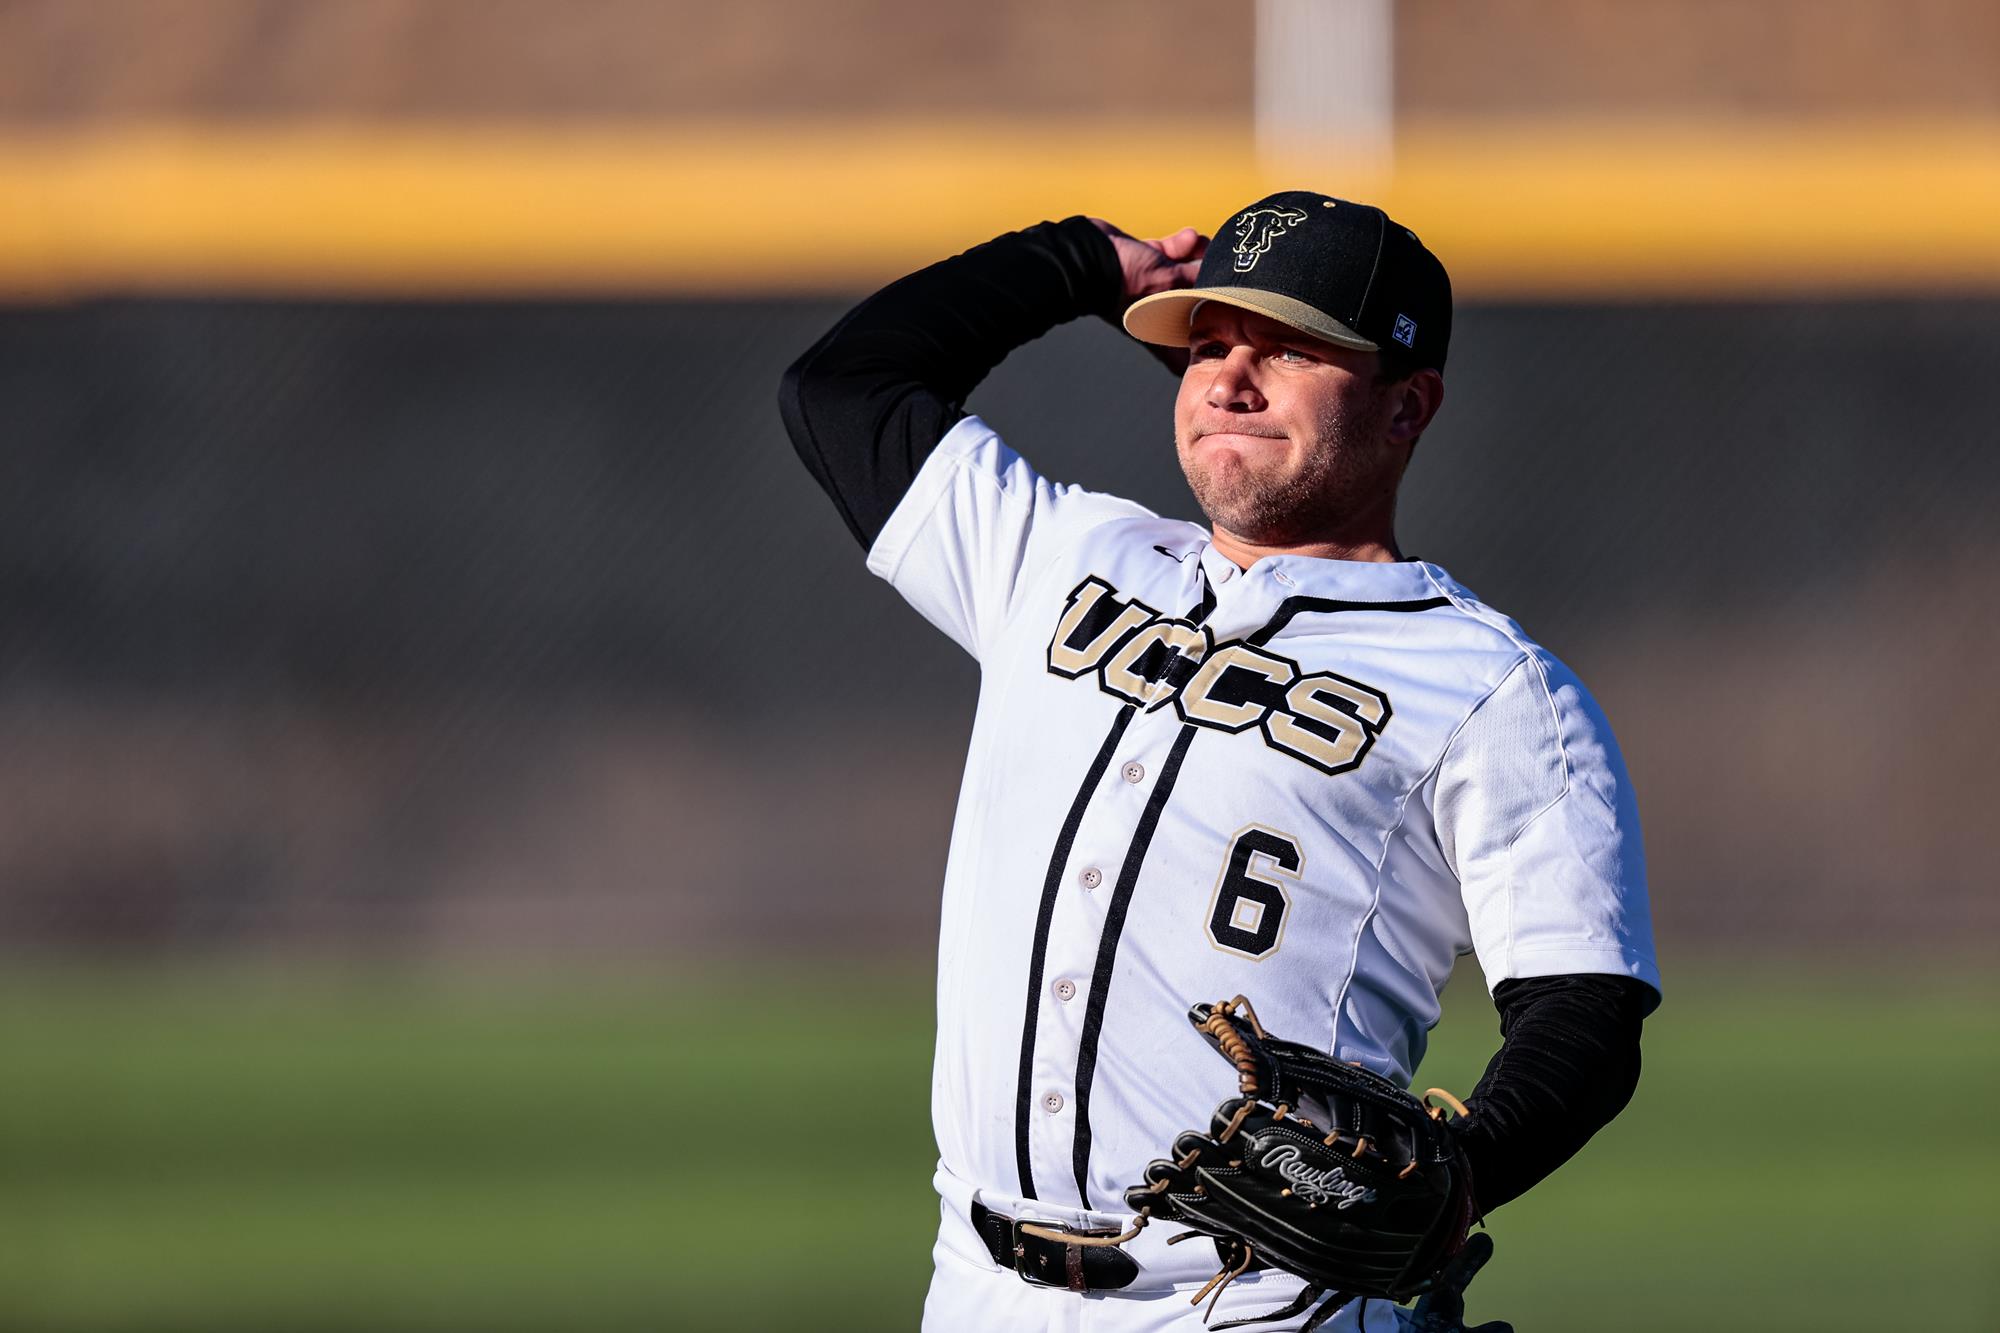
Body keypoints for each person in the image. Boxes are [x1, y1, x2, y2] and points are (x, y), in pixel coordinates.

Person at [777, 192, 1661, 1331]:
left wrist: (1458, 1181)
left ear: (1407, 405)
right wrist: (1075, 263)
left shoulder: (1491, 690)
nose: (1228, 378)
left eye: (1285, 347)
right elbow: (841, 390)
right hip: (975, 1288)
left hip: (1254, 1305)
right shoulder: (1057, 555)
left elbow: (1582, 1011)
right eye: (1207, 344)